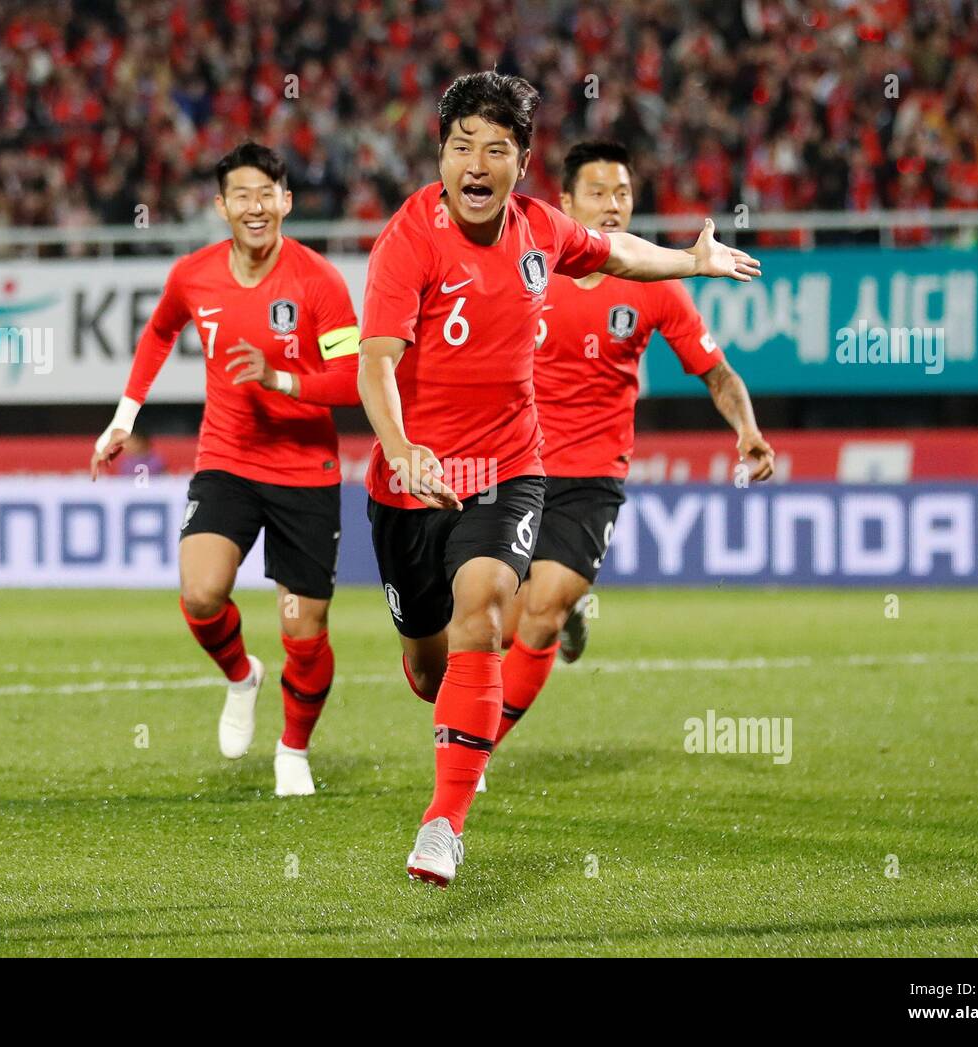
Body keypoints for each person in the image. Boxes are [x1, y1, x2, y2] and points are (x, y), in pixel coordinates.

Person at [357, 73, 761, 887]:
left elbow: (616, 253)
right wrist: (400, 446)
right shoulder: (408, 238)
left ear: (522, 160)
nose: (478, 163)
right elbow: (375, 362)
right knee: (429, 669)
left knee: (490, 612)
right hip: (411, 482)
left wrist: (692, 259)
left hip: (511, 470)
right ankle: (457, 718)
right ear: (441, 153)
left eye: (496, 149)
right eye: (463, 145)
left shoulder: (542, 229)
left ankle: (444, 823)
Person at [91, 142, 361, 797]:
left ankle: (293, 748)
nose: (255, 206)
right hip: (229, 462)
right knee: (201, 592)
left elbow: (352, 379)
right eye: (241, 195)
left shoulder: (319, 280)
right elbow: (158, 333)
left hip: (306, 470)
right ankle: (242, 675)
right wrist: (125, 415)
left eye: (267, 194)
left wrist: (279, 378)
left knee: (303, 628)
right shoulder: (193, 276)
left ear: (286, 202)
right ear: (221, 206)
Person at [494, 139, 774, 757]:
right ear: (566, 201)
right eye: (597, 192)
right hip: (515, 465)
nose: (612, 204)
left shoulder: (656, 283)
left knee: (539, 609)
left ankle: (477, 747)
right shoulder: (526, 267)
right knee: (499, 625)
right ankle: (565, 618)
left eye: (622, 192)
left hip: (592, 473)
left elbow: (717, 374)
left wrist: (747, 431)